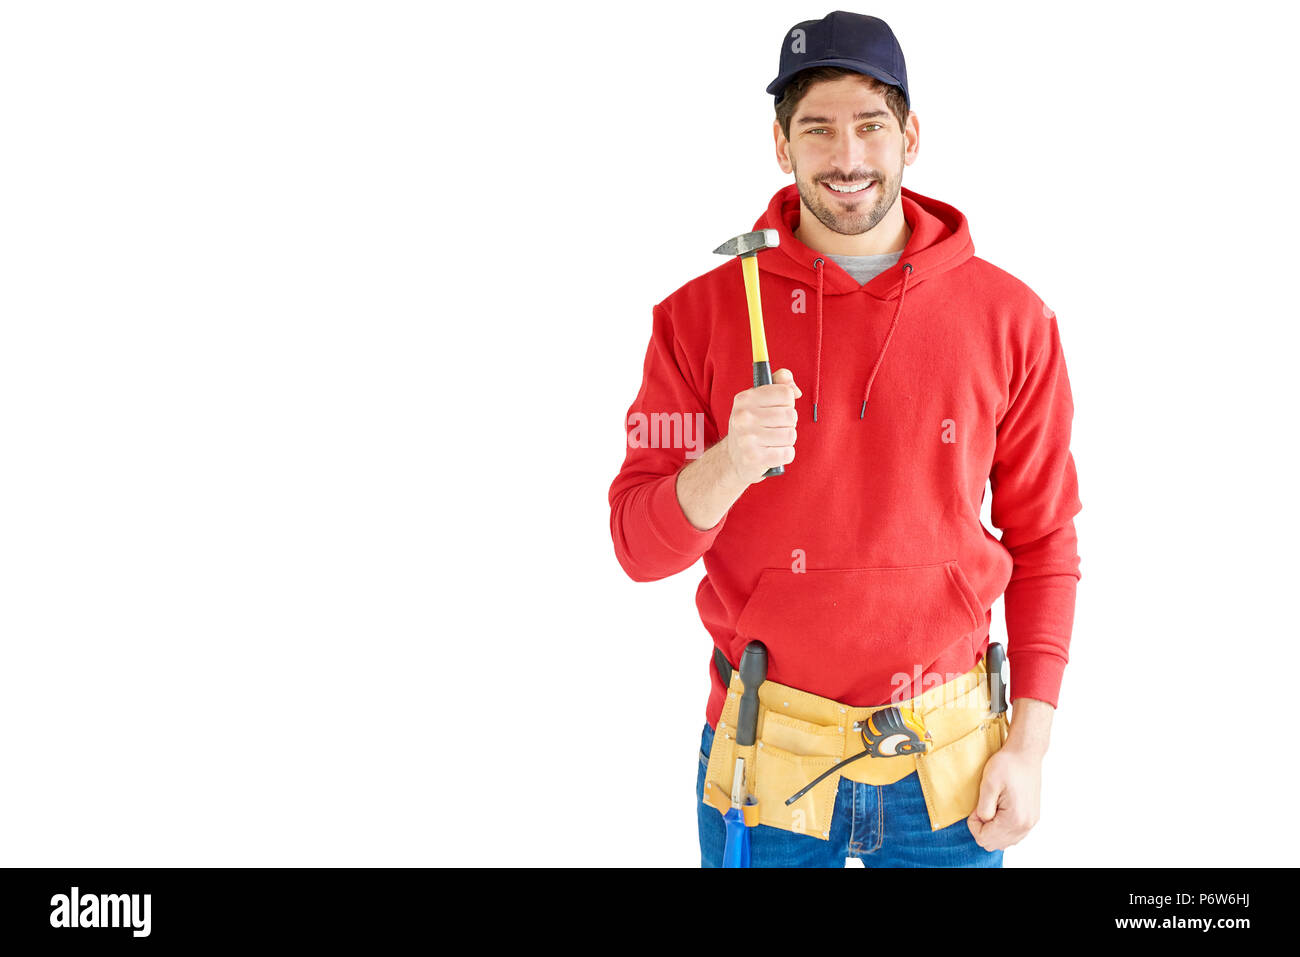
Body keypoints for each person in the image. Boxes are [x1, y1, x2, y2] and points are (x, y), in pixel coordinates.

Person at [607, 11, 1081, 867]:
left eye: (870, 125)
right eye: (817, 128)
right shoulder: (696, 318)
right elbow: (639, 547)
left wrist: (1033, 742)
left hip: (951, 763)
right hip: (764, 759)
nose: (848, 156)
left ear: (911, 136)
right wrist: (728, 462)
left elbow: (1044, 540)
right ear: (782, 147)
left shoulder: (1012, 320)